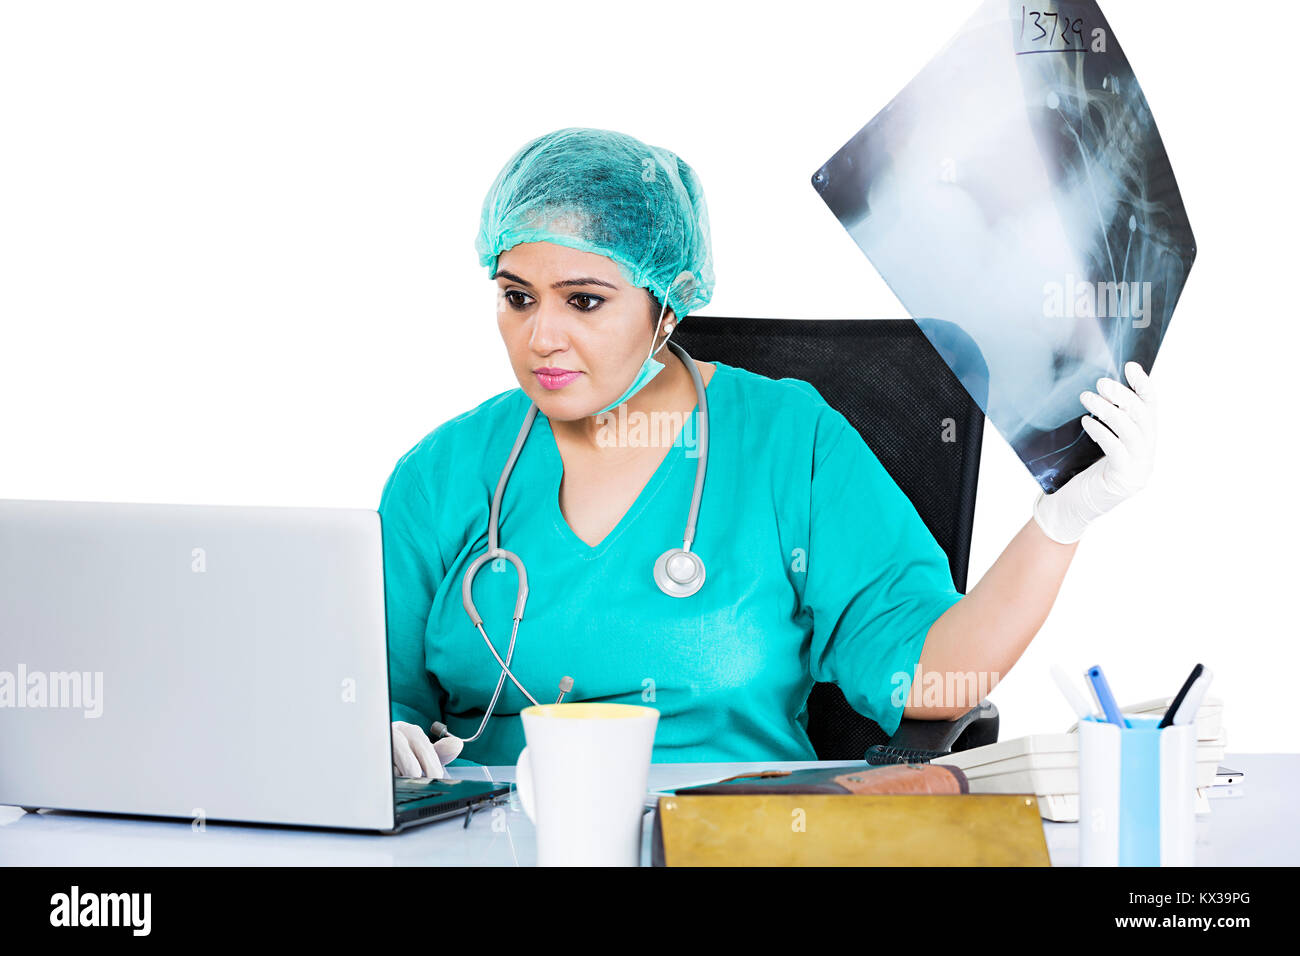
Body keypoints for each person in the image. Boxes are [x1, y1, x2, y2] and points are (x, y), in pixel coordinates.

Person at [382, 127, 1157, 777]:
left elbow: (929, 675)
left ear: (669, 298)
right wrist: (379, 736)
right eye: (517, 297)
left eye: (585, 300)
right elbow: (370, 688)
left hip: (733, 838)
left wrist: (1060, 523)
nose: (540, 336)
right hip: (492, 840)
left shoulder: (791, 442)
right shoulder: (445, 474)